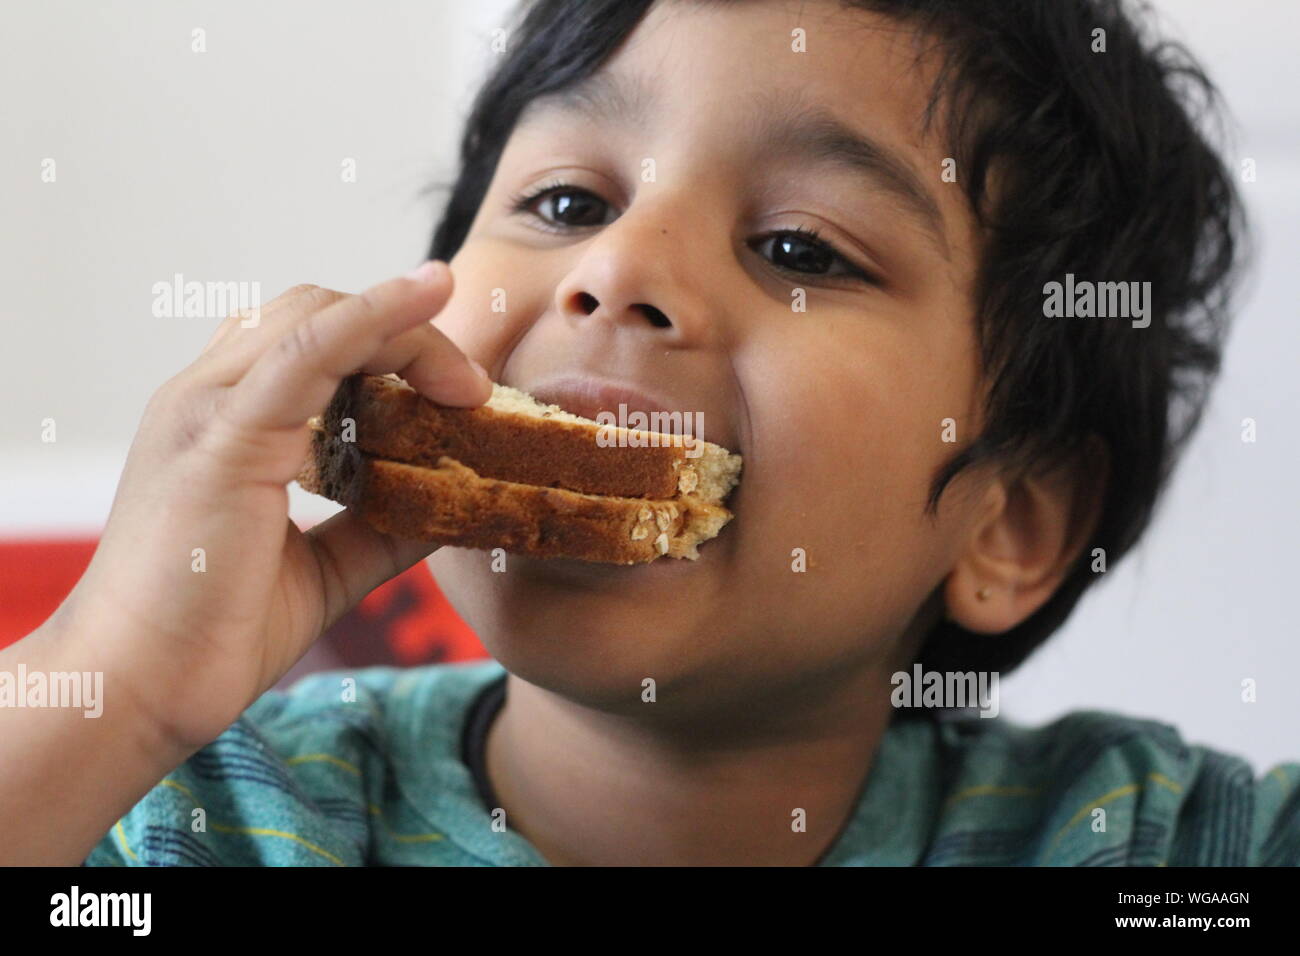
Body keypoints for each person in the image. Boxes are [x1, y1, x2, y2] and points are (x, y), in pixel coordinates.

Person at [4, 0, 1293, 866]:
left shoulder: (1150, 840)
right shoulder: (194, 813)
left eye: (799, 248)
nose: (619, 268)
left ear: (1007, 525)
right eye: (565, 200)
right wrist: (114, 682)